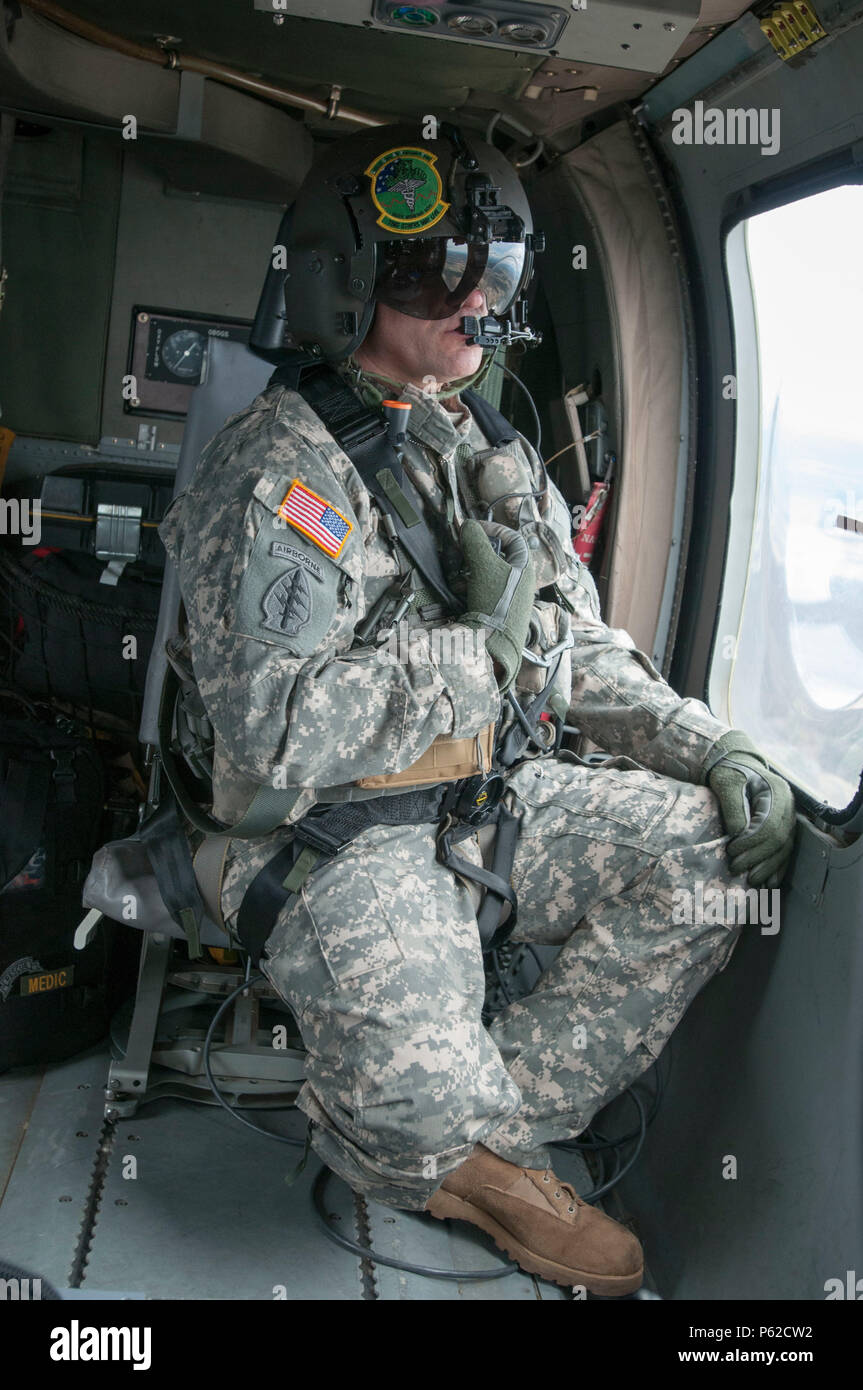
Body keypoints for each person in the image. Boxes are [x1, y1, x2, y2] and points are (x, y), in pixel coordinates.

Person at [159, 123, 796, 1295]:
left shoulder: (482, 444)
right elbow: (274, 731)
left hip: (484, 796)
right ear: (346, 289)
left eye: (488, 281)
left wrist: (706, 741)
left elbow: (575, 646)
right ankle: (442, 1135)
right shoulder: (280, 475)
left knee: (713, 856)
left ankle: (471, 1136)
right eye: (426, 281)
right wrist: (476, 652)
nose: (466, 314)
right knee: (407, 1093)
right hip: (333, 832)